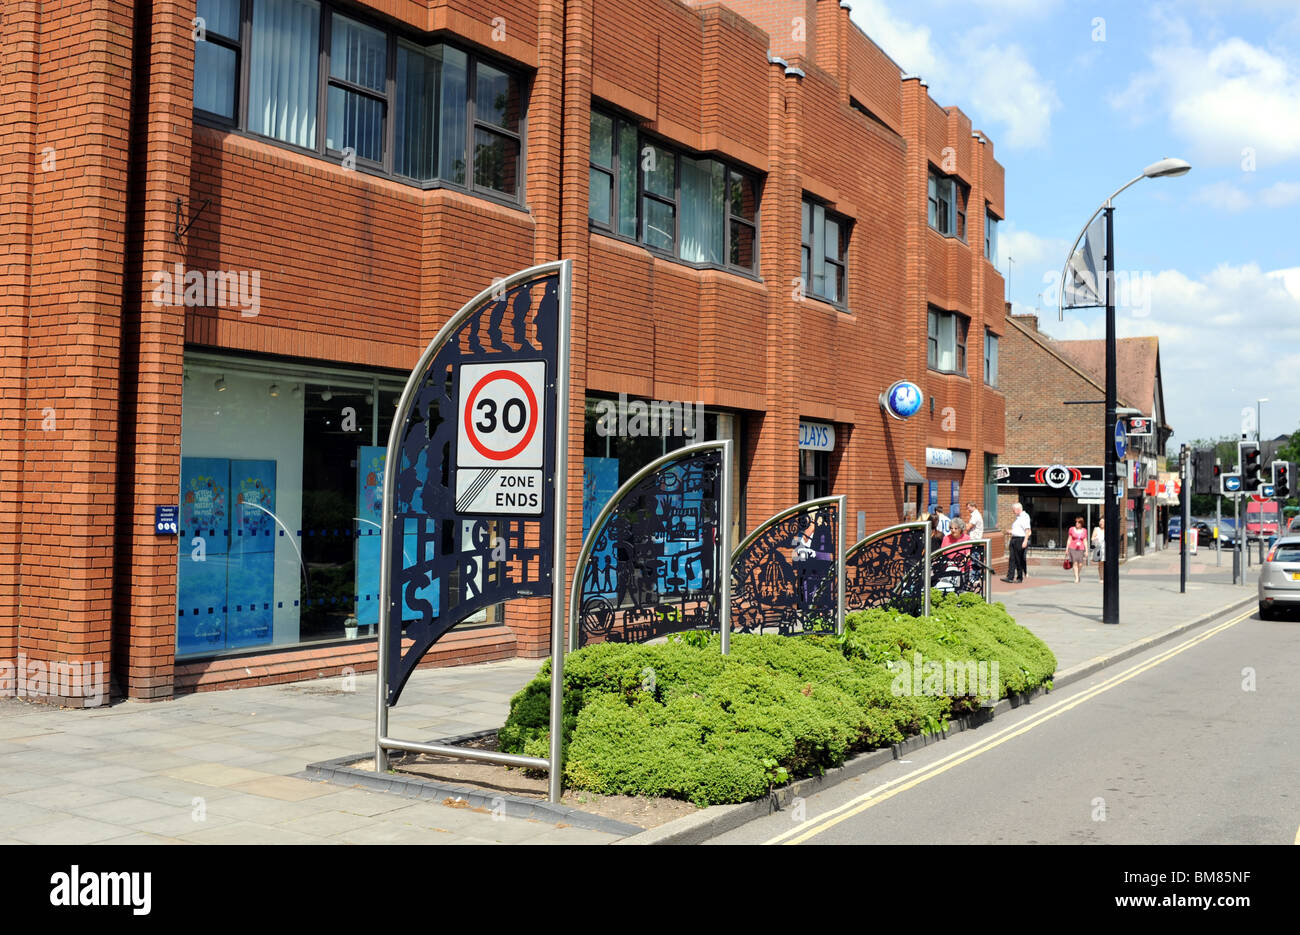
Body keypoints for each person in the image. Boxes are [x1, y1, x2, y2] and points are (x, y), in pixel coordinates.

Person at [1003, 502, 1030, 582]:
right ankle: (1010, 577)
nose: (1013, 512)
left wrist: (1025, 541)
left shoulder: (1024, 517)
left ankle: (1019, 577)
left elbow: (1027, 530)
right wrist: (1011, 531)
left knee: (1019, 559)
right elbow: (1018, 530)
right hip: (1014, 538)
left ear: (1018, 509)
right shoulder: (1018, 518)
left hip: (1020, 539)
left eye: (1013, 510)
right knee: (1012, 558)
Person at [1066, 515, 1088, 584]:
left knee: (1080, 564)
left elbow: (1085, 541)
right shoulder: (1071, 529)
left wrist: (1086, 550)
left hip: (1081, 548)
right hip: (1072, 548)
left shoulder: (1084, 531)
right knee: (1075, 563)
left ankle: (1078, 574)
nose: (1077, 524)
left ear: (1081, 523)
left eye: (1078, 522)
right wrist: (1067, 549)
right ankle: (1076, 577)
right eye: (1076, 522)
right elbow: (1069, 539)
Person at [1092, 517, 1105, 581]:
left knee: (1106, 563)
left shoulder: (1108, 529)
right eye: (1100, 521)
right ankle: (1101, 578)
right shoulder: (1096, 529)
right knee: (1100, 563)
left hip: (1106, 548)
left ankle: (1106, 577)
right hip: (1099, 548)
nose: (1101, 523)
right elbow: (1092, 538)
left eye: (1102, 522)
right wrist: (1095, 539)